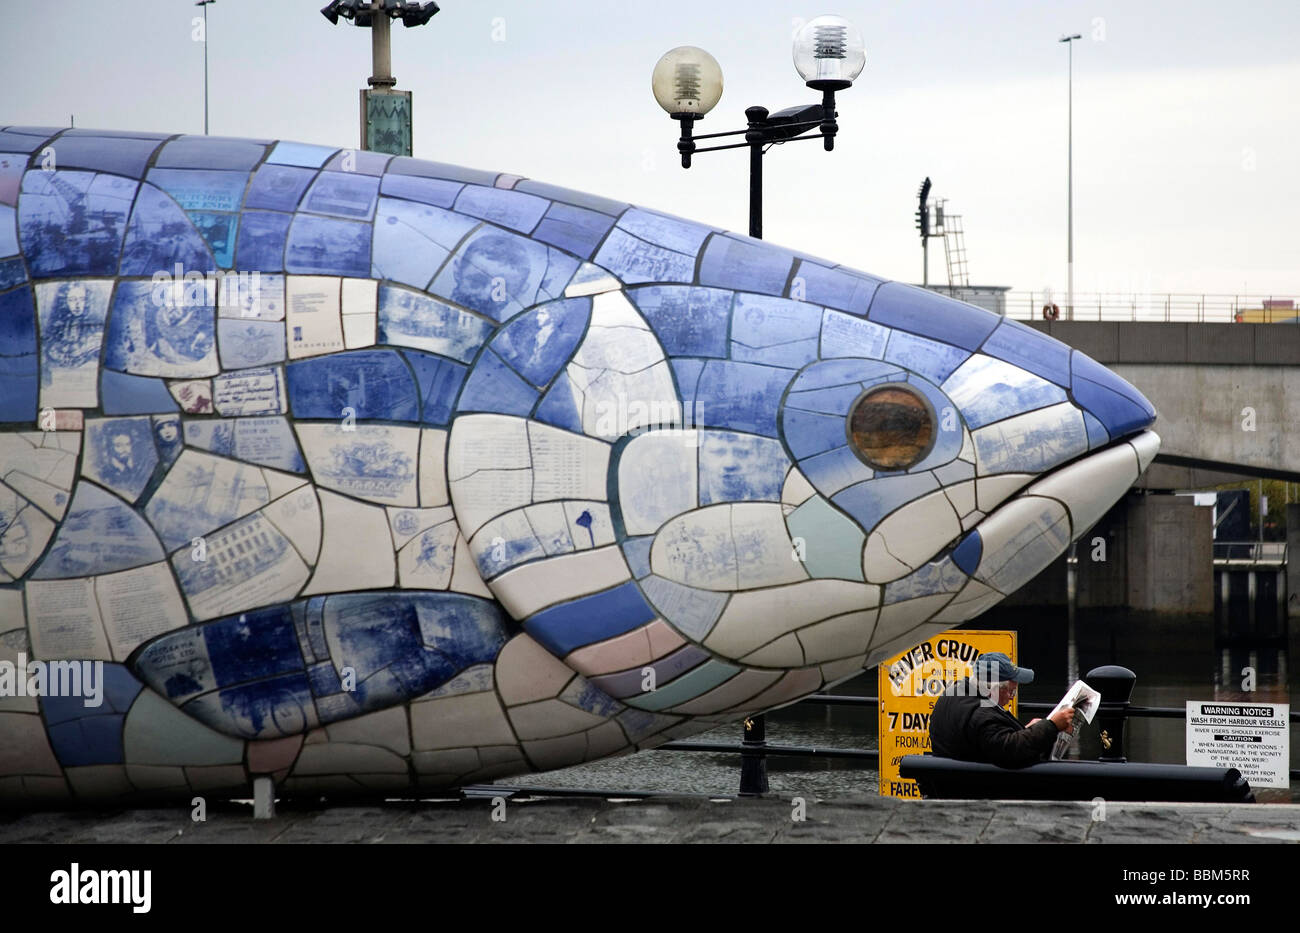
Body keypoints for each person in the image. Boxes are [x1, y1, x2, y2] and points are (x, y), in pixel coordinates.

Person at [929, 652, 1074, 768]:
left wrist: (1026, 730)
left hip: (952, 777)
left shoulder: (954, 693)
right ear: (994, 689)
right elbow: (1010, 750)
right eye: (1011, 691)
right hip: (975, 788)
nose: (1012, 697)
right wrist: (1052, 726)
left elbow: (993, 740)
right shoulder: (981, 714)